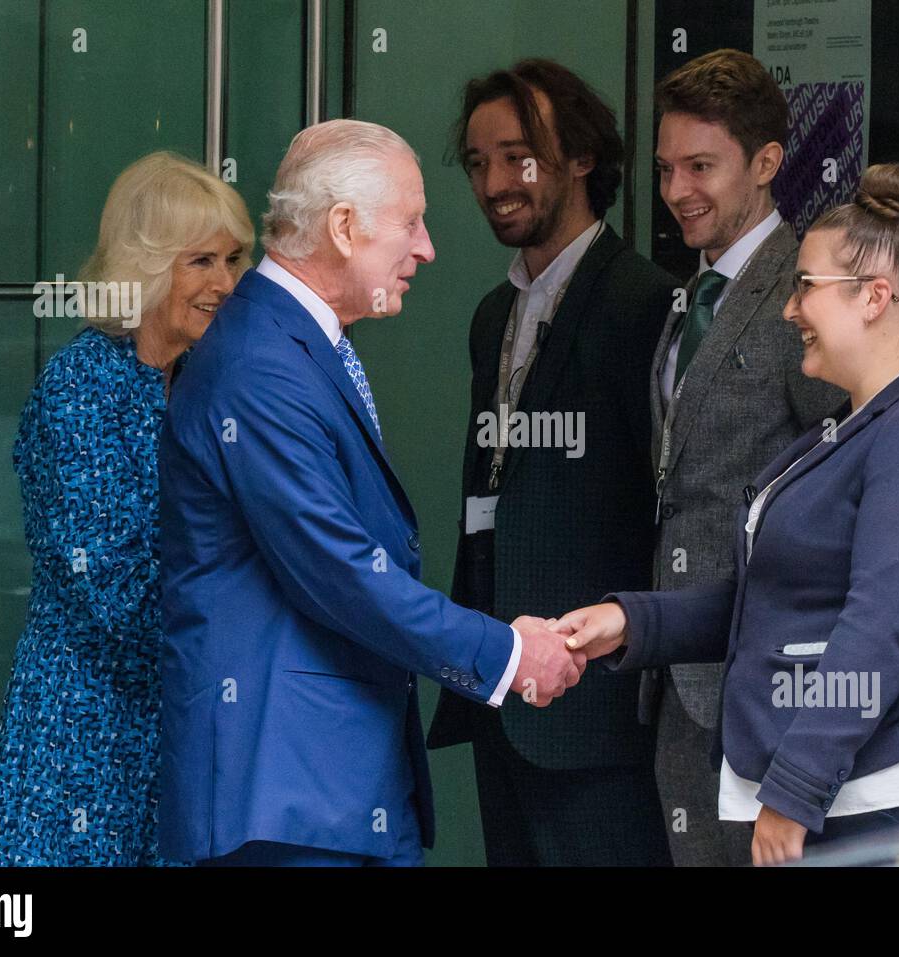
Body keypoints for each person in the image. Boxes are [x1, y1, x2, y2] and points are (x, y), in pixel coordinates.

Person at [555, 163, 899, 866]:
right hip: (869, 790)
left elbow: (883, 626)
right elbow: (777, 600)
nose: (789, 310)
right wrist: (635, 621)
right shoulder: (862, 426)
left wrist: (794, 790)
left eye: (805, 287)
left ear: (876, 297)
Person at [157, 119, 585, 867]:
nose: (426, 248)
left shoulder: (295, 343)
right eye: (412, 222)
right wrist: (510, 652)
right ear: (345, 227)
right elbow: (340, 570)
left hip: (327, 787)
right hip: (287, 797)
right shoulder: (262, 363)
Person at [425, 59, 674, 866]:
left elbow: (673, 510)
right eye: (477, 161)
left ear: (580, 158)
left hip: (599, 718)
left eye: (518, 155)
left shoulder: (647, 305)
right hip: (500, 695)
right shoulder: (490, 315)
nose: (494, 180)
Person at [0, 152, 253, 866]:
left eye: (233, 259)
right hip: (85, 732)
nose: (225, 283)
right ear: (146, 266)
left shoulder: (200, 383)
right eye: (201, 262)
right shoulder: (83, 386)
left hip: (178, 724)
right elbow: (114, 591)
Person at [642, 48, 846, 865]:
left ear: (766, 163)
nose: (676, 191)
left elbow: (844, 483)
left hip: (768, 685)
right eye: (665, 169)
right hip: (679, 681)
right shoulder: (687, 296)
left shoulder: (806, 291)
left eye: (701, 166)